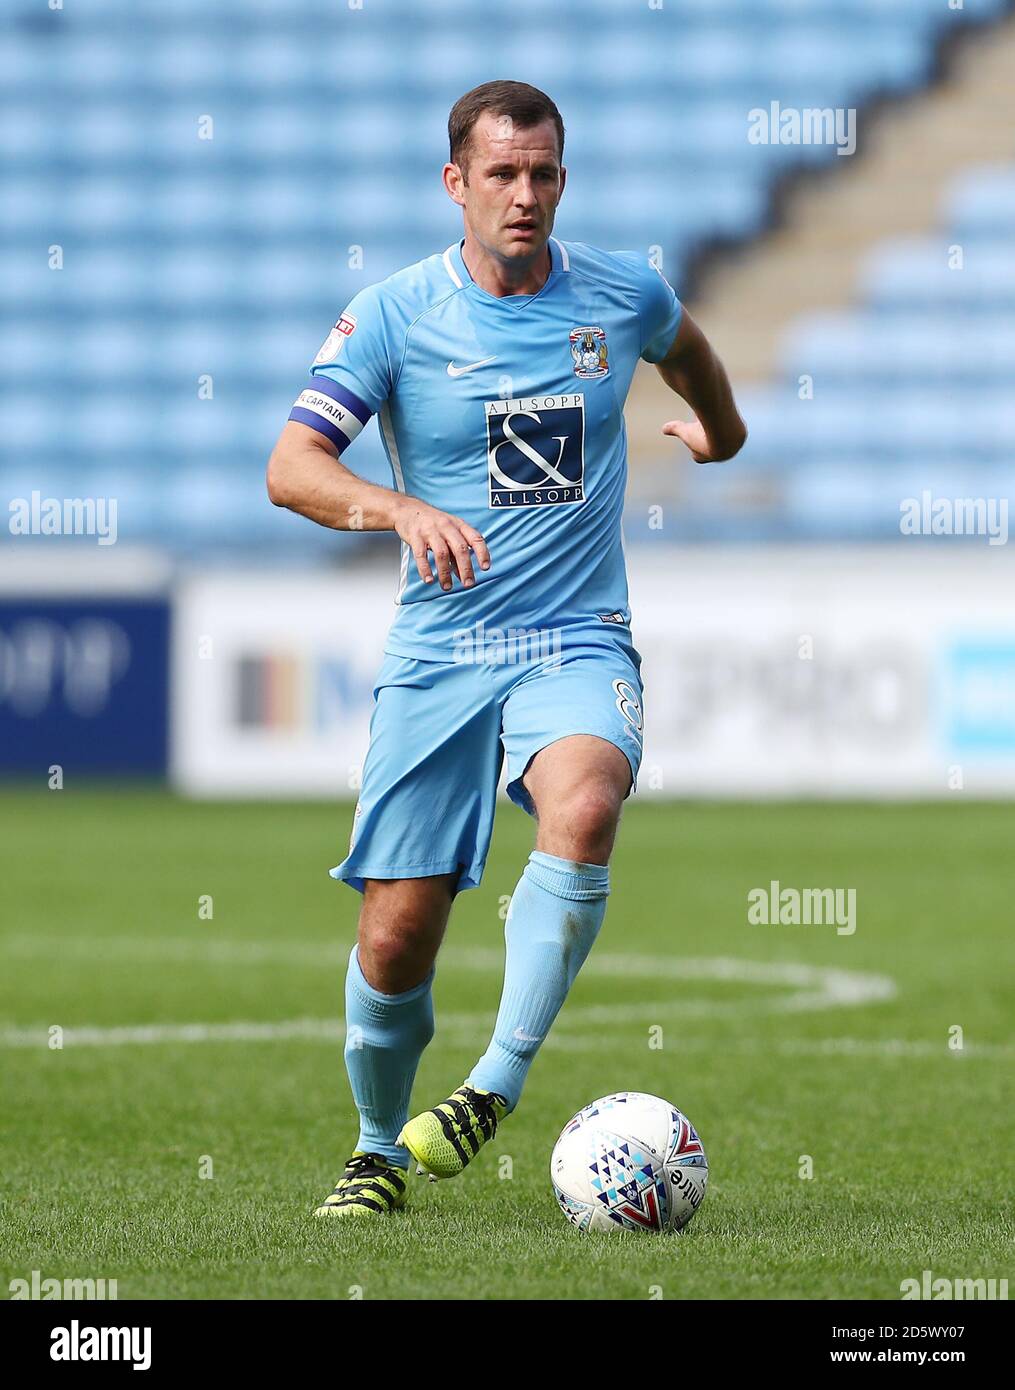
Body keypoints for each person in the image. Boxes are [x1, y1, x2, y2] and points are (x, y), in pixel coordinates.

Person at [266, 80, 747, 1216]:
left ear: (561, 181)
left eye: (541, 174)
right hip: (442, 650)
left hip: (576, 635)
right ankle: (378, 1146)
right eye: (500, 174)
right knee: (394, 937)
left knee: (584, 810)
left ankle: (493, 1085)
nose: (522, 194)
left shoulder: (622, 294)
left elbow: (696, 359)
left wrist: (721, 435)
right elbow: (292, 468)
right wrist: (398, 510)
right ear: (456, 184)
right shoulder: (390, 314)